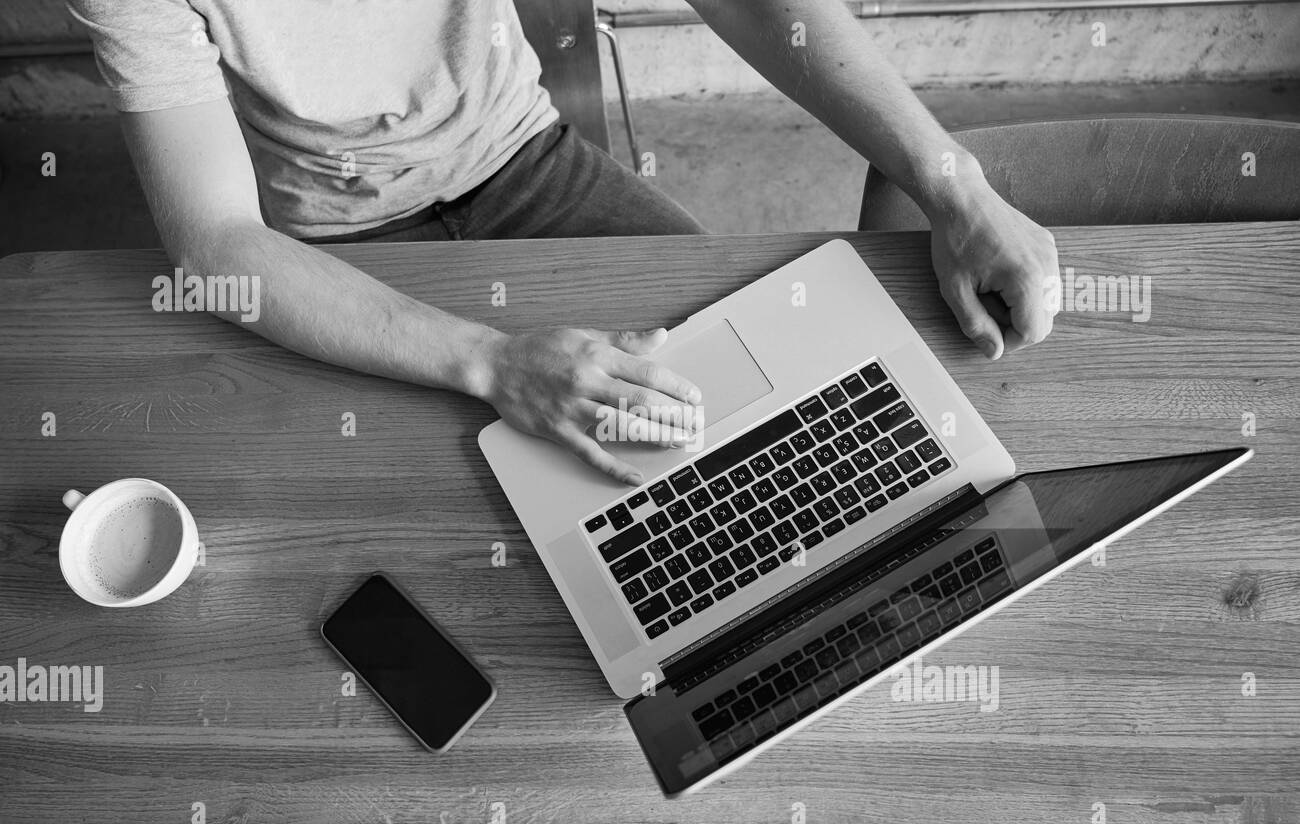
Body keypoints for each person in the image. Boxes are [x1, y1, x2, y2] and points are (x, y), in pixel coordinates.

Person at [69, 0, 1059, 486]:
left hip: (528, 159)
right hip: (338, 243)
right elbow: (215, 244)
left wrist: (949, 182)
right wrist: (489, 359)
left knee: (773, 438)